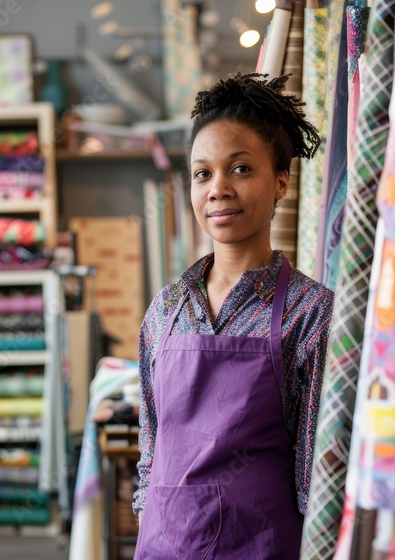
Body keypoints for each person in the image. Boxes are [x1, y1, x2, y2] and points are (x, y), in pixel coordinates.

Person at [133, 72, 333, 559]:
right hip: (166, 543)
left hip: (262, 545)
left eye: (240, 169)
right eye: (203, 174)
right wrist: (147, 510)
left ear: (281, 181)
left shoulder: (312, 314)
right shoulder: (166, 309)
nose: (218, 188)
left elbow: (315, 477)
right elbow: (151, 444)